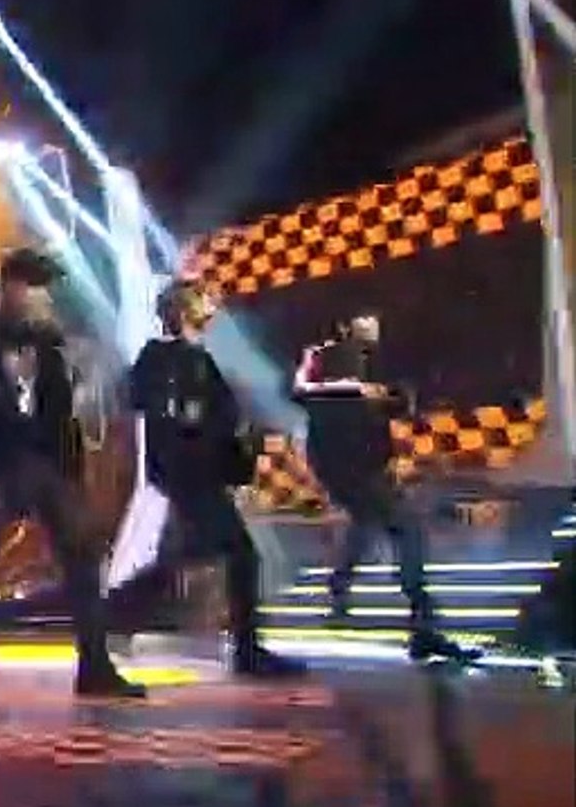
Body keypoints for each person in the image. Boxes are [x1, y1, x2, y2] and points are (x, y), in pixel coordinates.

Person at [0, 248, 144, 698]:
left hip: (51, 461)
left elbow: (65, 408)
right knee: (34, 520)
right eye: (34, 288)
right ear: (11, 288)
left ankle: (95, 665)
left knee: (81, 555)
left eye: (46, 290)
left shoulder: (52, 344)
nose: (43, 298)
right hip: (10, 457)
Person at [112, 281, 304, 677]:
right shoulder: (168, 357)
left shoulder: (187, 357)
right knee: (241, 555)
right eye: (202, 300)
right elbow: (170, 412)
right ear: (185, 310)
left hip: (193, 472)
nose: (212, 306)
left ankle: (112, 615)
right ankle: (247, 653)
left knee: (190, 554)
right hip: (190, 473)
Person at [294, 314, 479, 663]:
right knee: (406, 528)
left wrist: (382, 399)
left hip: (354, 468)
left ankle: (341, 588)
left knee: (367, 523)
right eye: (366, 327)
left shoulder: (360, 369)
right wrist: (364, 394)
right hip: (352, 468)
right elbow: (315, 395)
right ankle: (423, 624)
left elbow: (391, 404)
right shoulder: (333, 361)